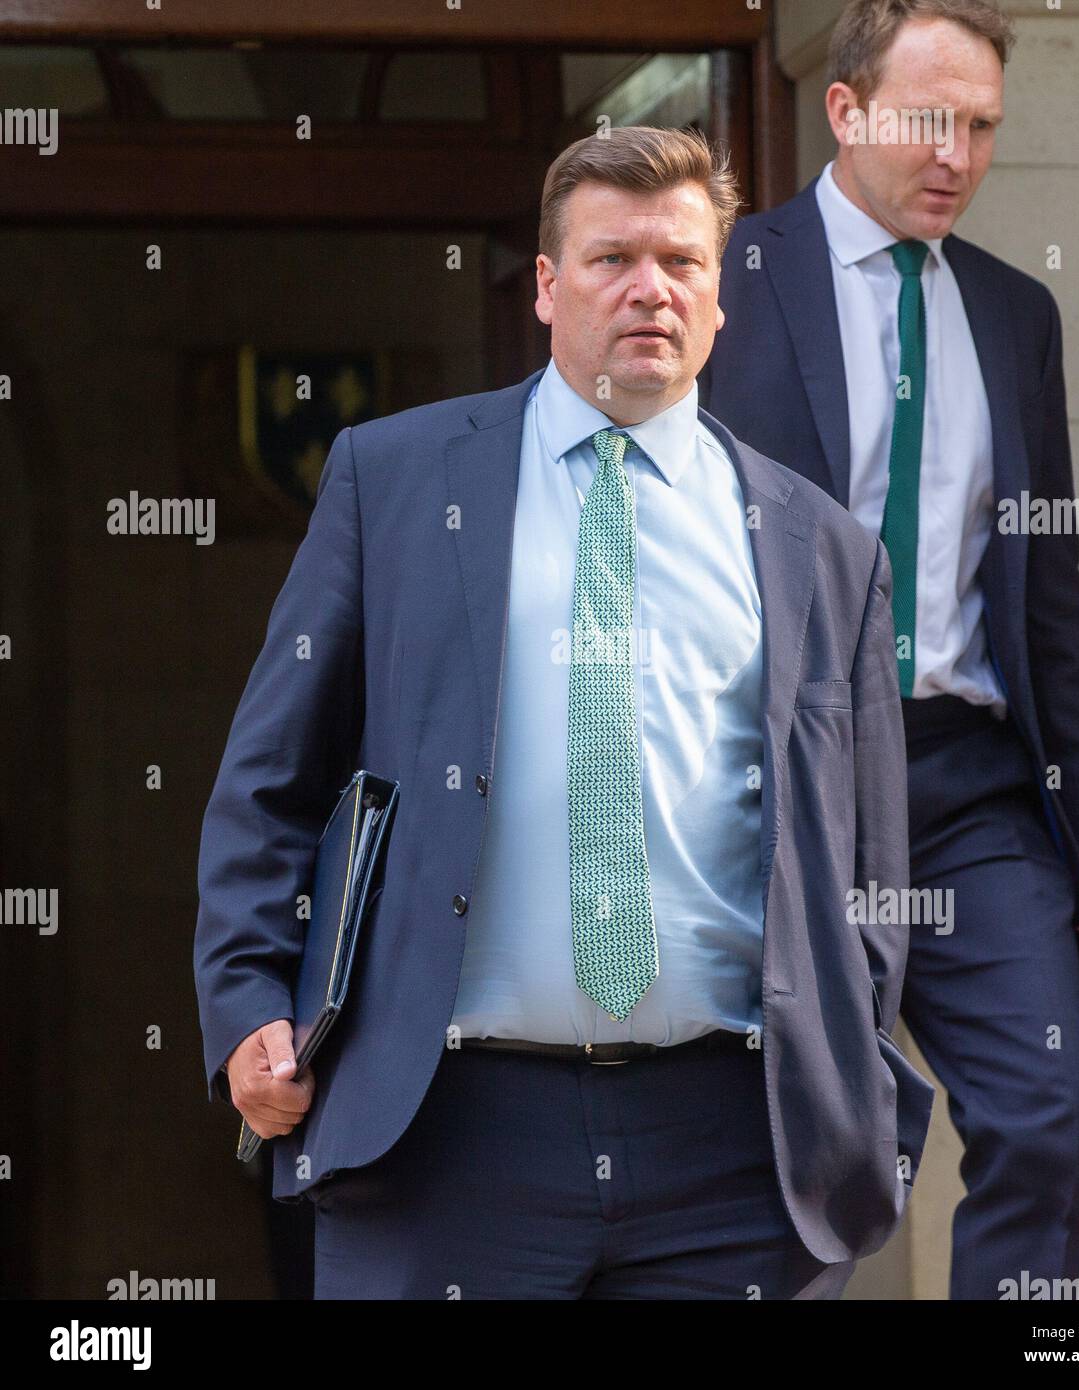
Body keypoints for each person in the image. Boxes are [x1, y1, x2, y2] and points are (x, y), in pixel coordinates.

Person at [194, 124, 933, 1301]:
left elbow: (872, 850)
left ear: (718, 295)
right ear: (546, 285)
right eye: (611, 259)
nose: (651, 289)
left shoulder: (820, 544)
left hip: (734, 1158)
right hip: (446, 1137)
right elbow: (269, 778)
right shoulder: (396, 482)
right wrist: (246, 1007)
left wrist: (855, 1050)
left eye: (683, 263)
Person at [700, 0, 1079, 1300]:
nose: (954, 153)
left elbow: (1046, 594)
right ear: (842, 112)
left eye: (981, 127)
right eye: (924, 120)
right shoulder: (724, 283)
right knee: (785, 1142)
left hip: (967, 786)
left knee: (1049, 1108)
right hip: (774, 778)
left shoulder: (1016, 316)